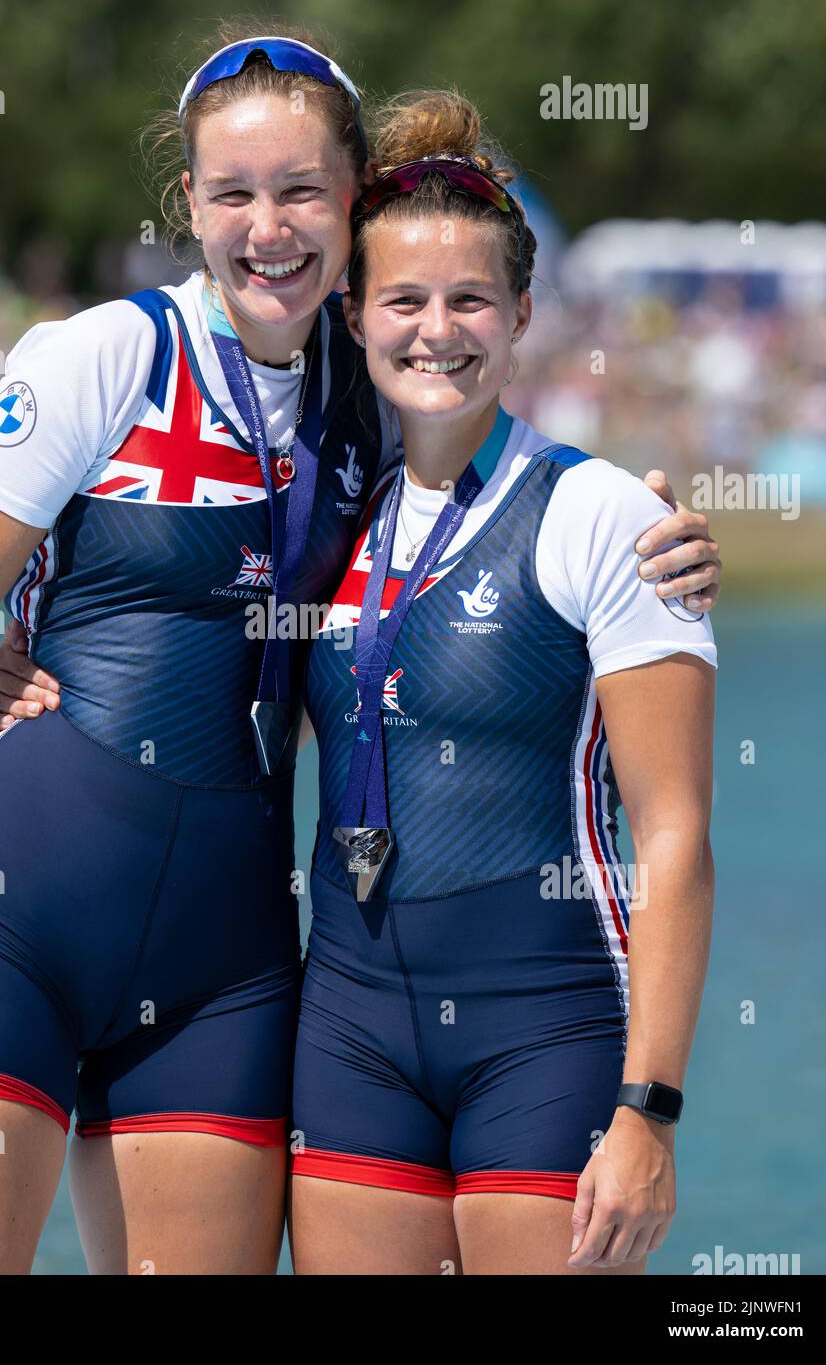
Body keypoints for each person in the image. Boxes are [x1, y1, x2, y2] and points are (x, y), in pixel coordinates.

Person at [0, 25, 721, 1277]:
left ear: (353, 200)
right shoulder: (104, 356)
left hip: (225, 966)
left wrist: (664, 535)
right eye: (232, 193)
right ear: (190, 202)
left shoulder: (375, 389)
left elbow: (483, 541)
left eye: (300, 191)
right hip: (9, 915)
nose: (266, 226)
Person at [285, 90, 717, 1274]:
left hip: (549, 1024)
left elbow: (674, 835)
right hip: (349, 1028)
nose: (438, 330)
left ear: (521, 312)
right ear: (355, 311)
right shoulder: (324, 508)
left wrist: (651, 1108)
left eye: (470, 299)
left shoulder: (605, 517)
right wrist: (25, 656)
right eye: (405, 301)